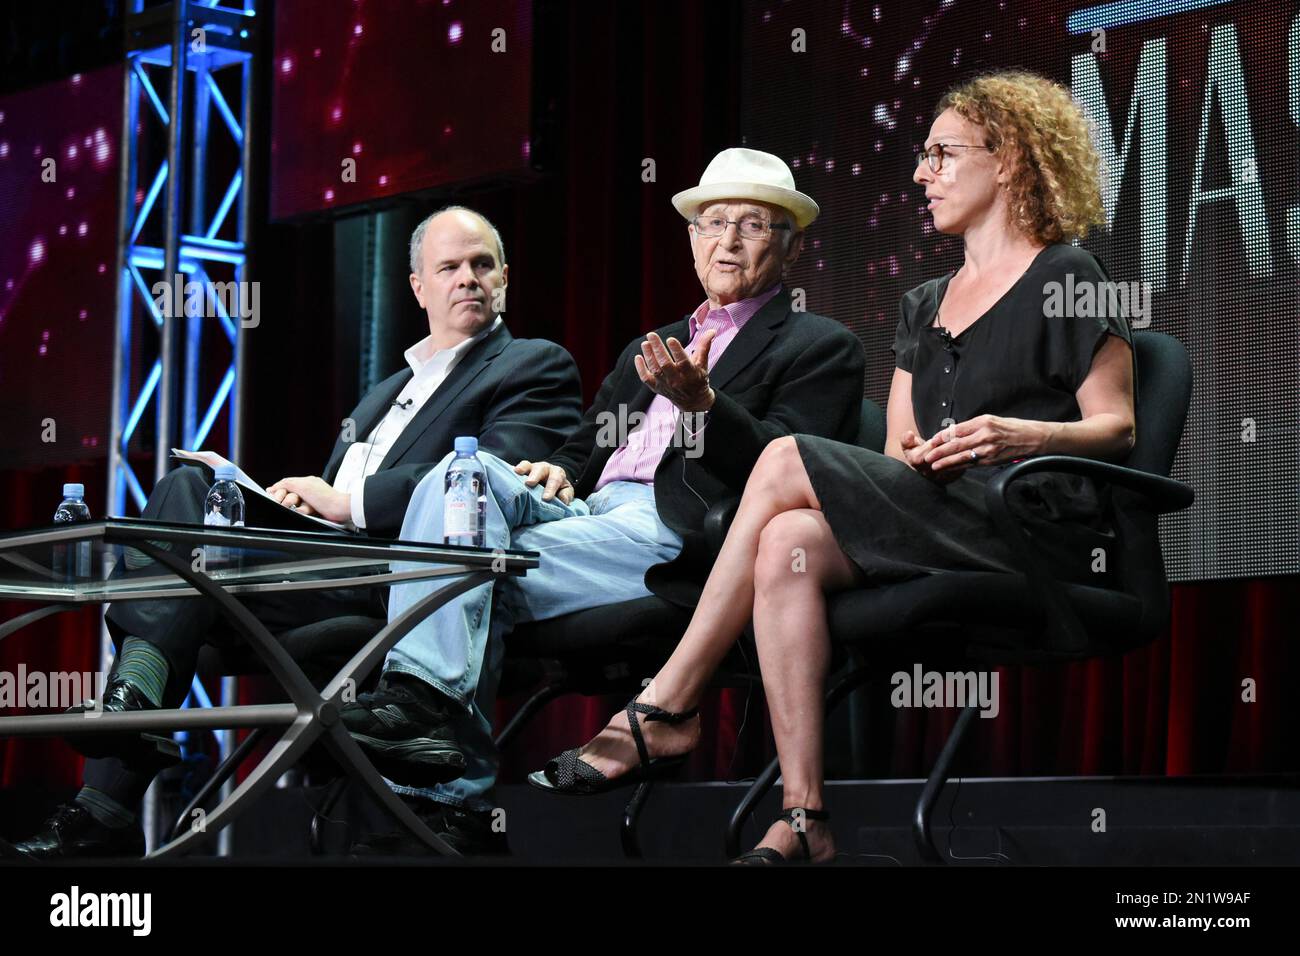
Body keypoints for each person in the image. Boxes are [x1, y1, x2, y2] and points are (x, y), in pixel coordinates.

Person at [530, 71, 1137, 865]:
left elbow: (1118, 428)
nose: (922, 174)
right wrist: (922, 459)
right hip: (941, 516)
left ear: (1012, 159)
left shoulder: (1068, 275)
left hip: (1031, 525)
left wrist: (1012, 436)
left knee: (783, 458)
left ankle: (670, 700)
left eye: (942, 155)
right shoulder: (925, 301)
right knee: (787, 542)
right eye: (924, 157)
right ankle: (806, 819)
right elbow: (896, 458)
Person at [337, 148, 866, 854]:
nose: (728, 242)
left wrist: (705, 406)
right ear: (691, 238)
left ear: (791, 245)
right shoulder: (653, 345)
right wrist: (553, 472)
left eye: (754, 226)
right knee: (459, 477)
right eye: (712, 223)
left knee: (455, 570)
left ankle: (447, 786)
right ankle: (425, 720)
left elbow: (792, 472)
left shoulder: (819, 345)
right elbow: (585, 451)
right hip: (586, 516)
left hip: (676, 537)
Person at [15, 206, 583, 859]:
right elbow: (332, 500)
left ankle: (113, 769)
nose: (468, 280)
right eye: (449, 267)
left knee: (189, 518)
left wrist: (344, 503)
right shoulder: (386, 393)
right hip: (321, 567)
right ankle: (110, 779)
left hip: (411, 588)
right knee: (194, 491)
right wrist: (295, 503)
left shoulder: (532, 365)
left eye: (482, 265)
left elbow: (489, 478)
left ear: (506, 278)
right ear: (417, 286)